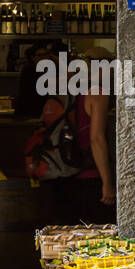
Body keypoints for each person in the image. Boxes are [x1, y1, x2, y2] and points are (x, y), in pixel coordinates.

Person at [49, 45, 115, 225]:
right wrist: (107, 182)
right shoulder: (98, 93)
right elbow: (96, 139)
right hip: (88, 176)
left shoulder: (68, 90)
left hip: (64, 171)